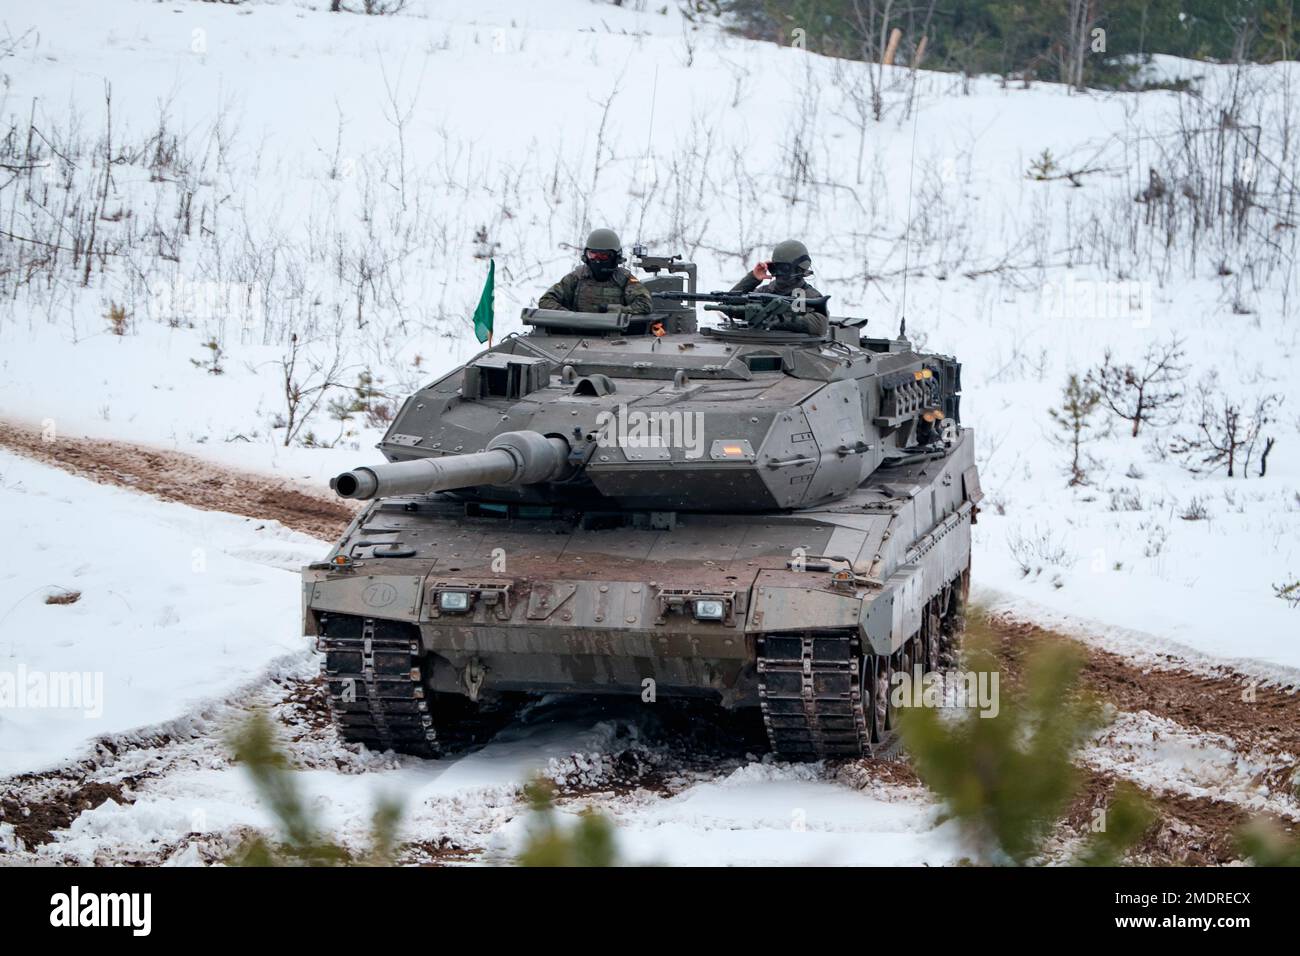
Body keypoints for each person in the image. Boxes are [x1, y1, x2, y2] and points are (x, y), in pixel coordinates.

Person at [539, 228, 653, 314]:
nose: (597, 260)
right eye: (592, 255)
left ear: (615, 257)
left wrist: (614, 310)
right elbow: (546, 301)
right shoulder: (577, 278)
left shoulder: (624, 279)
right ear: (586, 255)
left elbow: (644, 304)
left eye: (603, 256)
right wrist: (570, 317)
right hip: (575, 334)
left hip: (613, 336)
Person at [729, 239, 829, 336]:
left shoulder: (810, 296)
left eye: (784, 269)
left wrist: (780, 321)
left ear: (800, 269)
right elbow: (731, 306)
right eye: (775, 268)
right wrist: (753, 278)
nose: (778, 273)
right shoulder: (764, 292)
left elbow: (820, 324)